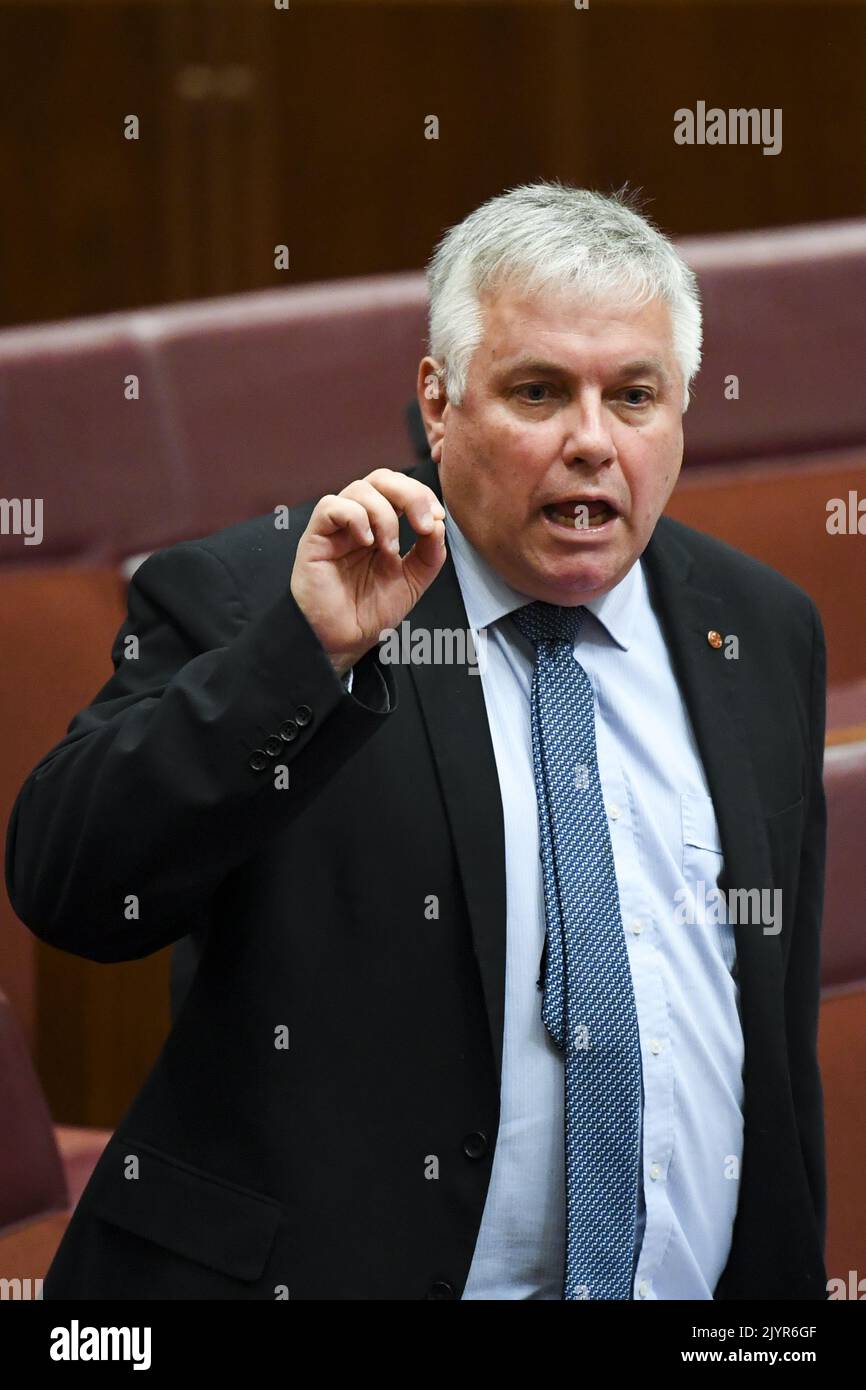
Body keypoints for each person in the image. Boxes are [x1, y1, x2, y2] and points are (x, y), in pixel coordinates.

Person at [6, 182, 827, 1300]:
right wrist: (300, 661)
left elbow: (765, 1049)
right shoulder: (267, 597)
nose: (590, 441)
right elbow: (73, 885)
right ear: (438, 403)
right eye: (537, 391)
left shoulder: (760, 629)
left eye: (632, 395)